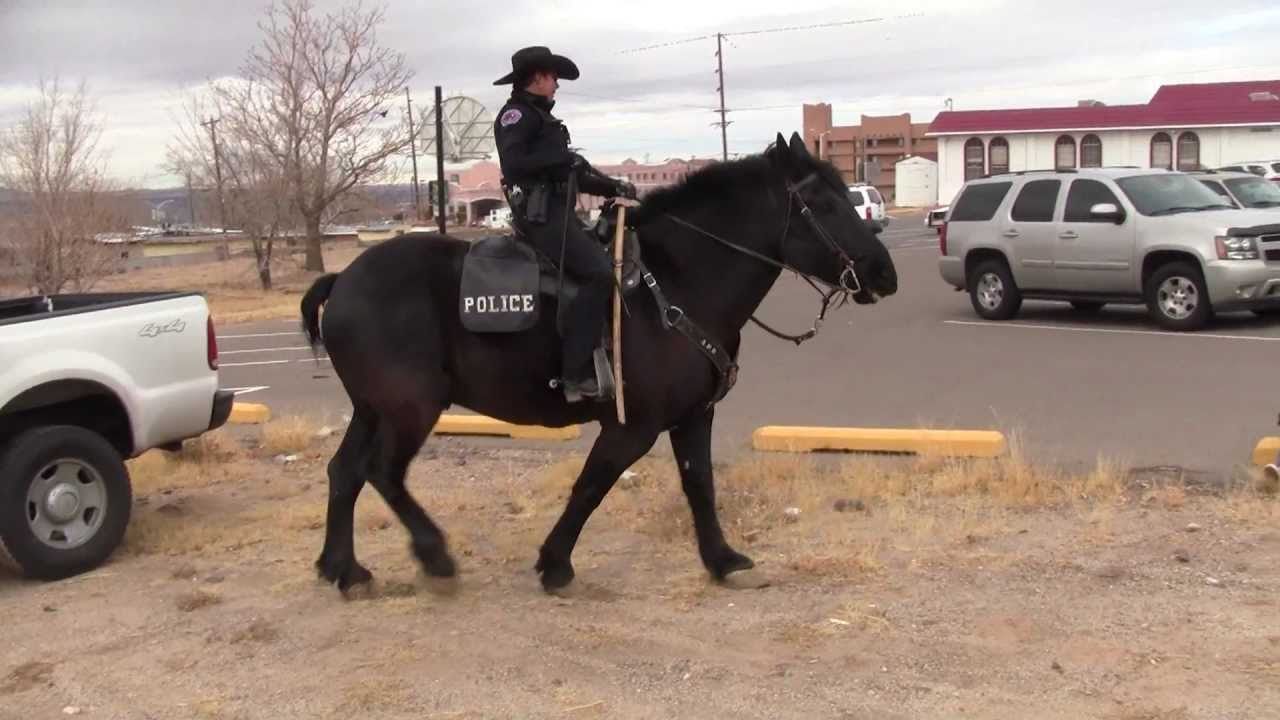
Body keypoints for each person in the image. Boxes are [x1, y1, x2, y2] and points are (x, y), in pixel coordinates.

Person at [492, 46, 636, 400]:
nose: (557, 84)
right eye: (553, 77)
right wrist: (563, 159)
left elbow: (571, 173)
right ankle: (574, 373)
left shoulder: (543, 119)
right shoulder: (516, 115)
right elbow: (514, 164)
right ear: (538, 77)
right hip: (541, 219)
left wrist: (612, 185)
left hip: (560, 214)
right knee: (599, 273)